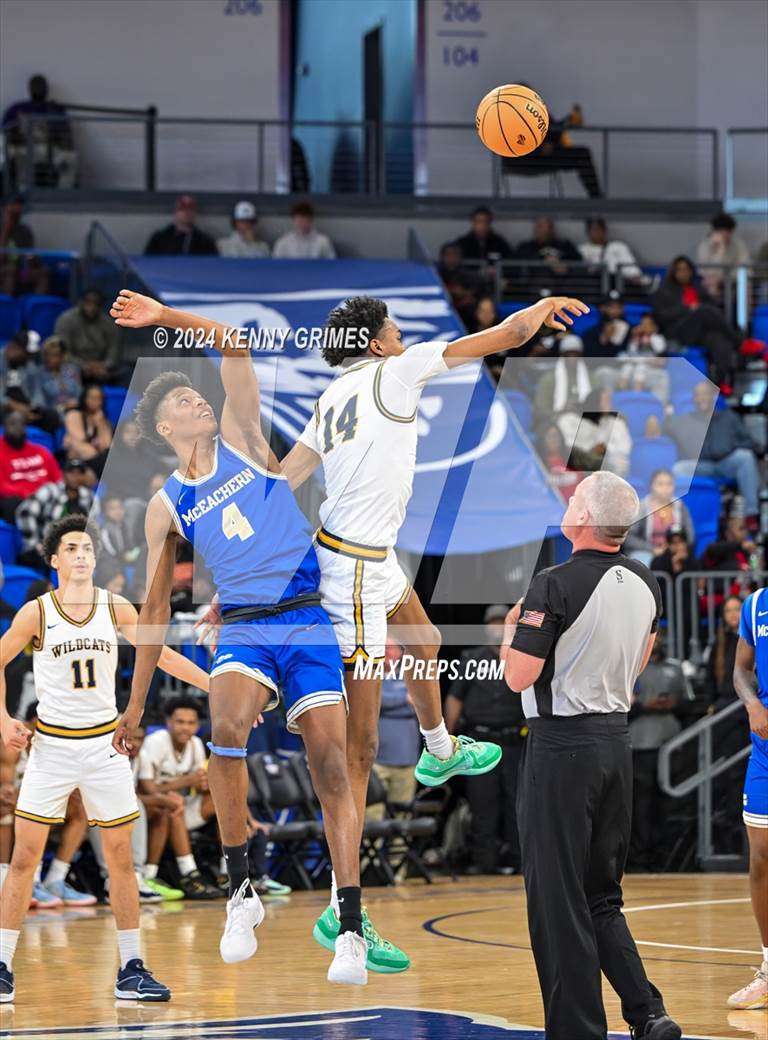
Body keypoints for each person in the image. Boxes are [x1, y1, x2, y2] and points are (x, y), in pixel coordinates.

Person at [135, 290, 586, 966]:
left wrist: (247, 565)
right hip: (349, 571)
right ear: (376, 343)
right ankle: (344, 913)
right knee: (358, 750)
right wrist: (538, 308)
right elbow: (503, 336)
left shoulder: (331, 397)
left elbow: (278, 479)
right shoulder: (397, 371)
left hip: (372, 556)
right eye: (395, 330)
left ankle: (438, 747)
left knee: (427, 642)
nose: (402, 336)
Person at [109, 291, 368, 985]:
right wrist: (134, 708)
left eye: (198, 396)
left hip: (305, 616)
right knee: (224, 728)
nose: (199, 402)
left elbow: (232, 342)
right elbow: (153, 612)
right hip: (246, 627)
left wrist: (165, 317)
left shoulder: (244, 439)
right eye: (184, 401)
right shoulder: (166, 506)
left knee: (330, 765)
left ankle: (349, 925)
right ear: (164, 427)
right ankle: (240, 889)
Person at [0, 514, 210, 1004]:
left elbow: (159, 654)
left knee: (121, 860)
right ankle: (2, 966)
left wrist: (213, 686)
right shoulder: (36, 612)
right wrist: (3, 718)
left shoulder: (115, 606)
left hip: (105, 747)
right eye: (72, 549)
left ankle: (131, 968)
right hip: (52, 748)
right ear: (54, 560)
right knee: (24, 858)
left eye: (88, 549)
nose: (81, 556)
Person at [502, 470, 682, 1040]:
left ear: (584, 516)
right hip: (614, 743)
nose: (568, 501)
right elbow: (639, 663)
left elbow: (518, 676)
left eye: (575, 496)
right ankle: (648, 1014)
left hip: (561, 748)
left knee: (558, 901)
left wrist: (510, 630)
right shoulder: (647, 582)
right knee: (601, 895)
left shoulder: (552, 583)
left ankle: (578, 1030)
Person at [445, 605, 527, 875]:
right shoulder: (471, 659)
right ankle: (484, 862)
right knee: (482, 803)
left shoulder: (520, 657)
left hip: (514, 740)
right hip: (479, 742)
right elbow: (454, 699)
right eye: (493, 622)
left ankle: (519, 860)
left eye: (502, 622)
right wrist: (447, 738)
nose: (497, 627)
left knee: (517, 803)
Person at [728, 586, 768, 1010]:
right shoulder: (756, 604)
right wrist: (753, 704)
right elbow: (740, 671)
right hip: (765, 750)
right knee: (760, 857)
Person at [137, 697, 221, 900]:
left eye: (191, 723)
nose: (185, 727)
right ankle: (188, 873)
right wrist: (187, 781)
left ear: (198, 726)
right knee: (173, 804)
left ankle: (228, 871)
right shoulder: (156, 742)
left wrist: (203, 784)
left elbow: (197, 783)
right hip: (151, 806)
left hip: (178, 805)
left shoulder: (196, 744)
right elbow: (148, 788)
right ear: (168, 722)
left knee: (219, 801)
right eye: (180, 722)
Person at [627, 638, 686, 871]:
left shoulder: (675, 668)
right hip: (639, 744)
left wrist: (674, 703)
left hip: (671, 744)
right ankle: (639, 857)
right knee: (641, 804)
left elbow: (688, 704)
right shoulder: (631, 666)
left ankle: (667, 857)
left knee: (669, 803)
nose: (657, 639)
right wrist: (643, 706)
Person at [668, 381, 761, 523]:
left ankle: (751, 514)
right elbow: (666, 428)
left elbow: (751, 443)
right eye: (698, 395)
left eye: (705, 394)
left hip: (726, 463)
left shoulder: (729, 417)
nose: (702, 398)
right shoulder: (685, 420)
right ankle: (679, 517)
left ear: (713, 396)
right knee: (678, 468)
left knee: (745, 457)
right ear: (693, 399)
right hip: (702, 466)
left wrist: (732, 446)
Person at [652, 257, 742, 386]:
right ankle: (739, 342)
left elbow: (714, 309)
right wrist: (688, 308)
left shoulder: (698, 289)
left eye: (686, 269)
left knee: (718, 338)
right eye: (680, 270)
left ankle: (720, 381)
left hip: (699, 333)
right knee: (703, 311)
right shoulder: (663, 292)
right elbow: (662, 316)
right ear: (673, 272)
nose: (684, 273)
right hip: (677, 333)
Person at [15, 458, 93, 572]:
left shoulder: (88, 497)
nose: (75, 477)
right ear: (63, 474)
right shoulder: (50, 490)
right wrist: (34, 543)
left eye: (79, 473)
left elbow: (93, 525)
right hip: (45, 547)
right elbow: (25, 513)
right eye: (71, 473)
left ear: (84, 476)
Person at [1, 74, 76, 189]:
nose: (39, 89)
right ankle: (16, 192)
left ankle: (64, 193)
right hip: (21, 148)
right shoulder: (16, 108)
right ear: (30, 89)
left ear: (46, 89)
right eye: (35, 86)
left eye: (42, 86)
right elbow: (5, 131)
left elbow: (66, 134)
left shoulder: (54, 109)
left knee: (70, 158)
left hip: (47, 149)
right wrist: (16, 136)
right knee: (9, 153)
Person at [0, 410, 61, 521]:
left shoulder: (41, 451)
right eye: (12, 423)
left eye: (21, 424)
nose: (17, 427)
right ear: (4, 427)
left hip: (45, 496)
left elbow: (57, 479)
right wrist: (26, 493)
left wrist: (43, 494)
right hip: (18, 499)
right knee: (11, 504)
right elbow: (2, 486)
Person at [625, 469, 695, 563]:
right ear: (652, 486)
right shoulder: (642, 507)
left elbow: (690, 536)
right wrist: (653, 549)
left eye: (669, 484)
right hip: (647, 552)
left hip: (675, 551)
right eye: (660, 484)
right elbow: (629, 538)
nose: (665, 488)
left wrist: (678, 548)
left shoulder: (680, 506)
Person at [54, 289, 122, 384]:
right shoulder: (66, 320)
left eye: (96, 304)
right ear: (81, 303)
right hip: (75, 365)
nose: (91, 308)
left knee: (126, 372)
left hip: (102, 368)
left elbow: (113, 349)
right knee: (67, 369)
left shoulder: (108, 324)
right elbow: (63, 352)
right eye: (88, 303)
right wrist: (84, 366)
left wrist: (105, 365)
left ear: (101, 306)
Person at [0, 330, 60, 435]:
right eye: (26, 353)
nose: (28, 357)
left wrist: (34, 409)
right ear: (14, 347)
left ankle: (42, 444)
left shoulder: (28, 364)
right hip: (5, 407)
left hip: (26, 407)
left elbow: (37, 391)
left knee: (51, 416)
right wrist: (13, 406)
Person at [533, 335, 595, 426]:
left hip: (584, 421)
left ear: (580, 355)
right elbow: (540, 410)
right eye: (568, 354)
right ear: (562, 355)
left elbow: (597, 404)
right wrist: (562, 412)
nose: (572, 358)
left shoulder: (591, 378)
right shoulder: (549, 379)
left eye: (575, 354)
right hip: (555, 422)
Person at [0, 195, 48, 296]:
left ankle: (36, 302)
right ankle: (5, 302)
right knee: (10, 270)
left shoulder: (24, 230)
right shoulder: (3, 230)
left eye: (19, 205)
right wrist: (6, 229)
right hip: (4, 268)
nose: (17, 208)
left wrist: (30, 265)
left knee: (43, 272)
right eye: (13, 205)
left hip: (20, 270)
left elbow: (30, 253)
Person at [62, 382, 113, 479]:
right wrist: (97, 451)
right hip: (78, 460)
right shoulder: (73, 415)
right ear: (84, 398)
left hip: (98, 461)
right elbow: (80, 439)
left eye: (99, 398)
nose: (95, 401)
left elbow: (107, 445)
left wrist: (100, 424)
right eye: (92, 397)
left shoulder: (103, 420)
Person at [696, 213, 751, 300]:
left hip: (732, 280)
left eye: (728, 232)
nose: (725, 235)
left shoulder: (739, 245)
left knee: (746, 284)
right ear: (714, 232)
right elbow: (705, 272)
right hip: (710, 282)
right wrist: (721, 250)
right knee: (711, 284)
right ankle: (713, 308)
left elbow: (746, 270)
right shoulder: (705, 246)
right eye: (721, 232)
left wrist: (723, 278)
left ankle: (743, 309)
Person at [144, 195, 217, 257]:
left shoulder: (205, 242)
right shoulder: (158, 239)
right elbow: (147, 263)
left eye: (190, 209)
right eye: (183, 209)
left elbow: (214, 265)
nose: (187, 213)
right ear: (176, 212)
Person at [579, 218, 644, 286]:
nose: (596, 233)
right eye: (593, 230)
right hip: (594, 284)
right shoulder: (582, 250)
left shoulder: (618, 246)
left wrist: (635, 276)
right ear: (588, 232)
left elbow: (629, 265)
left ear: (604, 231)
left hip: (619, 282)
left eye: (598, 229)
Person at [437, 242, 483, 327]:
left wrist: (463, 293)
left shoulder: (470, 276)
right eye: (448, 255)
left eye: (454, 255)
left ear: (460, 257)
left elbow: (476, 291)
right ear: (442, 257)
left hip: (463, 310)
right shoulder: (436, 275)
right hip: (441, 306)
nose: (451, 258)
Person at [536, 423, 584, 503]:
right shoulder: (538, 464)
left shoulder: (573, 459)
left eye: (555, 435)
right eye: (549, 437)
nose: (554, 440)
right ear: (543, 440)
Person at [37, 336, 82, 414]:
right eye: (47, 355)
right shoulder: (39, 374)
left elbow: (79, 393)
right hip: (52, 413)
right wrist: (61, 408)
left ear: (62, 357)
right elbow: (39, 401)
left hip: (74, 409)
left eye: (54, 355)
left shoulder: (73, 370)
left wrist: (75, 403)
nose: (49, 359)